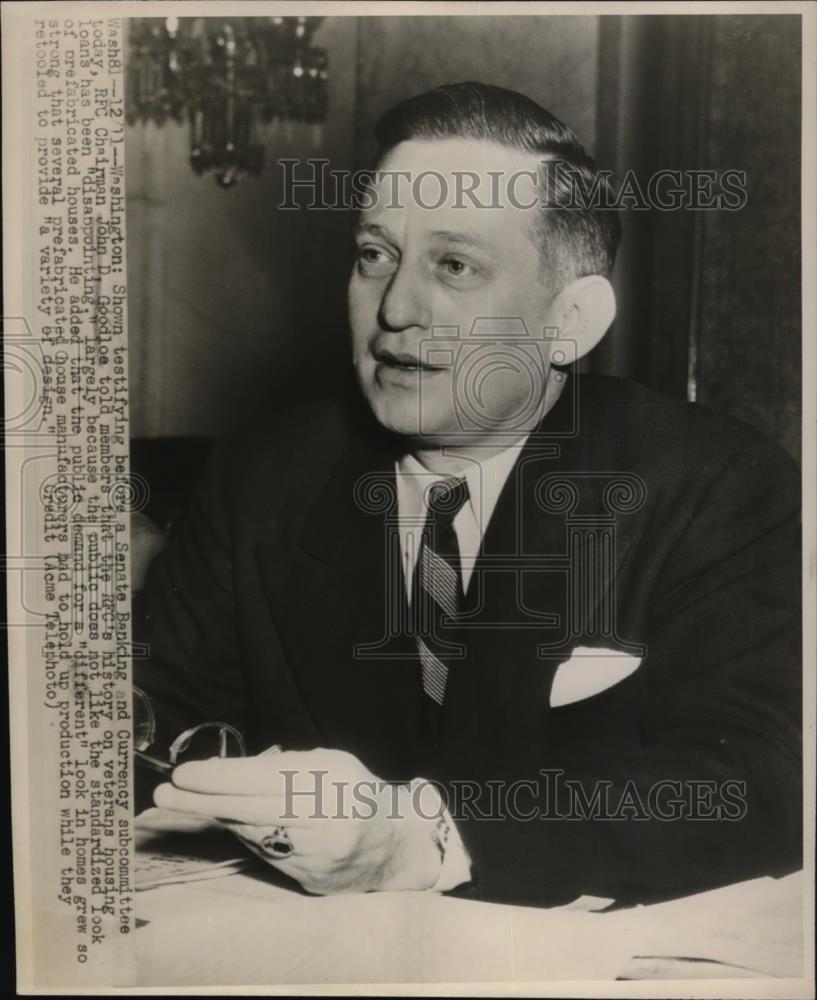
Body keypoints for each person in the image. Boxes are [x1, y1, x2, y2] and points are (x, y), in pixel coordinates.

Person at [134, 82, 802, 906]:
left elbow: (759, 781)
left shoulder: (711, 484)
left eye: (454, 265)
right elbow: (148, 722)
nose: (394, 309)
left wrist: (432, 841)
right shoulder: (266, 474)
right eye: (374, 254)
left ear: (571, 321)